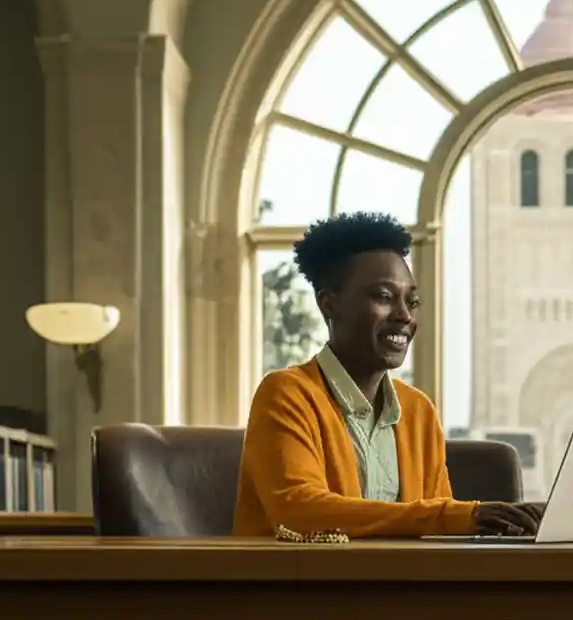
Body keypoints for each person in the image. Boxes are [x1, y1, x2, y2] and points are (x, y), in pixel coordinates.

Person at [233, 211, 543, 538]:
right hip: (299, 587)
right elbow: (300, 511)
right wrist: (462, 515)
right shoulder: (286, 394)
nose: (404, 316)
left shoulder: (418, 411)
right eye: (383, 297)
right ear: (329, 305)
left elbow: (436, 533)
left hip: (401, 587)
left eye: (412, 301)